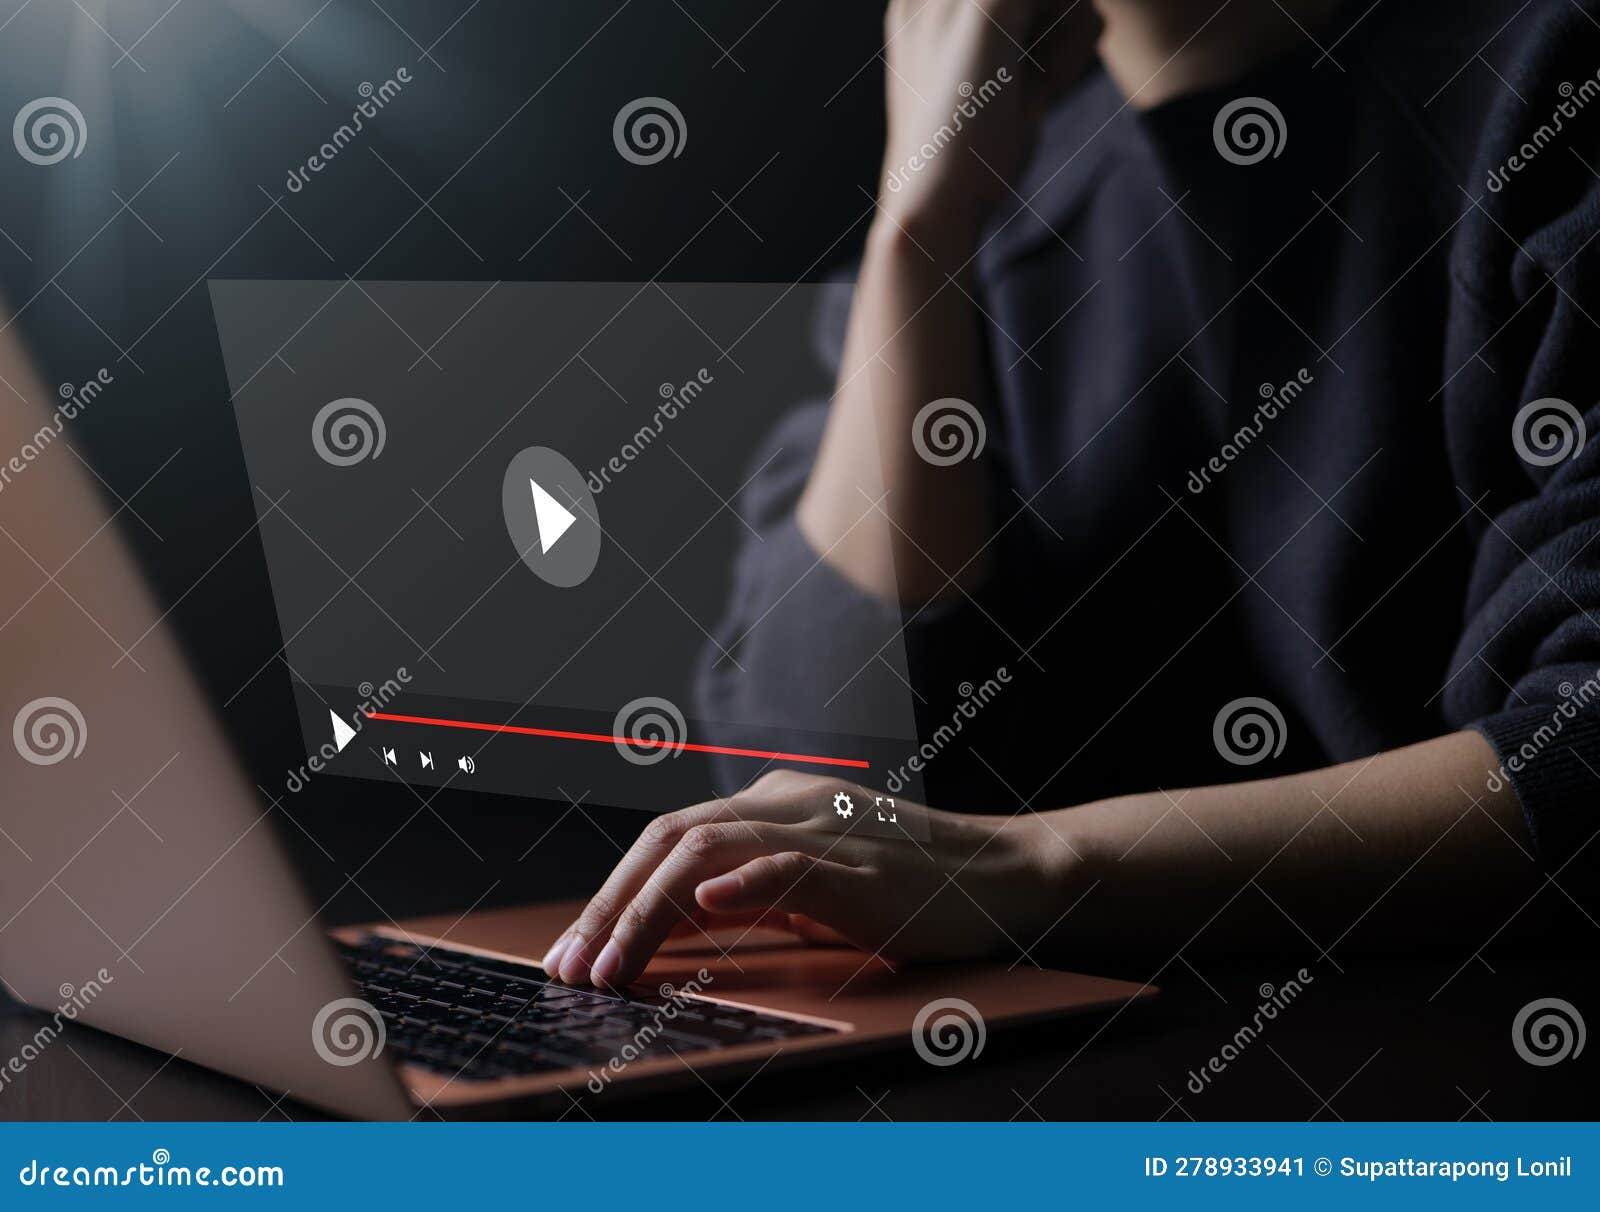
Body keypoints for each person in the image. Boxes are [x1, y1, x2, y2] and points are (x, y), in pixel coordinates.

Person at [547, 0, 1600, 991]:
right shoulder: (998, 197)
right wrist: (918, 240)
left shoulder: (1547, 86)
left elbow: (1577, 753)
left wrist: (1031, 868)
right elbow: (808, 801)